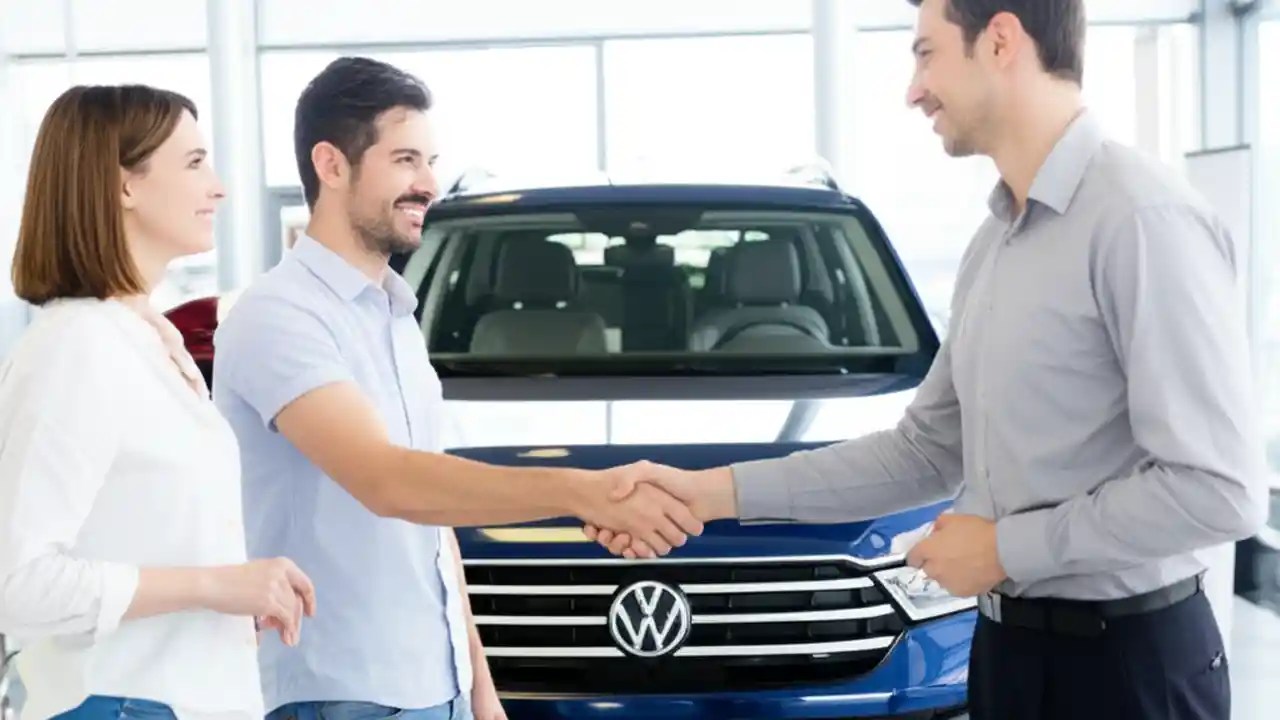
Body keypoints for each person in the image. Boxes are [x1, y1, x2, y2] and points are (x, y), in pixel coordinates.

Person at [587, 1, 1268, 718]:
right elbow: (923, 452)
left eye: (925, 54)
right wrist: (709, 493)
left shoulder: (1142, 218)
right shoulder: (997, 242)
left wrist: (1008, 548)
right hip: (1009, 656)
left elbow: (1217, 487)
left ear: (1000, 41)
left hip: (1130, 670)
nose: (914, 90)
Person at [210, 57, 700, 720]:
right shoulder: (279, 316)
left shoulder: (396, 315)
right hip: (338, 692)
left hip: (432, 686)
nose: (428, 183)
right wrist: (582, 491)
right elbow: (390, 482)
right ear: (331, 165)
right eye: (406, 159)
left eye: (430, 161)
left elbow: (432, 519)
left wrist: (479, 686)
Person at [0, 84, 316, 720]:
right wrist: (214, 585)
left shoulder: (148, 337)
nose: (220, 187)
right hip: (120, 703)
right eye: (195, 163)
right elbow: (16, 583)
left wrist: (226, 590)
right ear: (123, 186)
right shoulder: (77, 347)